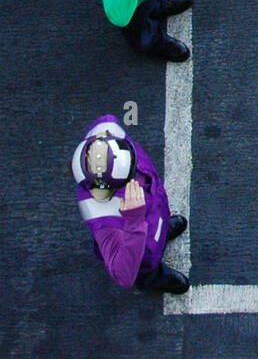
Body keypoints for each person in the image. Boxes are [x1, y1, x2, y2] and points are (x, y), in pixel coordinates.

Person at [71, 114, 189, 293]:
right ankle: (153, 279)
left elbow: (108, 119)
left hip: (154, 210)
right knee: (145, 265)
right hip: (140, 245)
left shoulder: (108, 131)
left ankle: (162, 233)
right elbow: (123, 275)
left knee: (159, 228)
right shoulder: (104, 220)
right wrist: (134, 221)